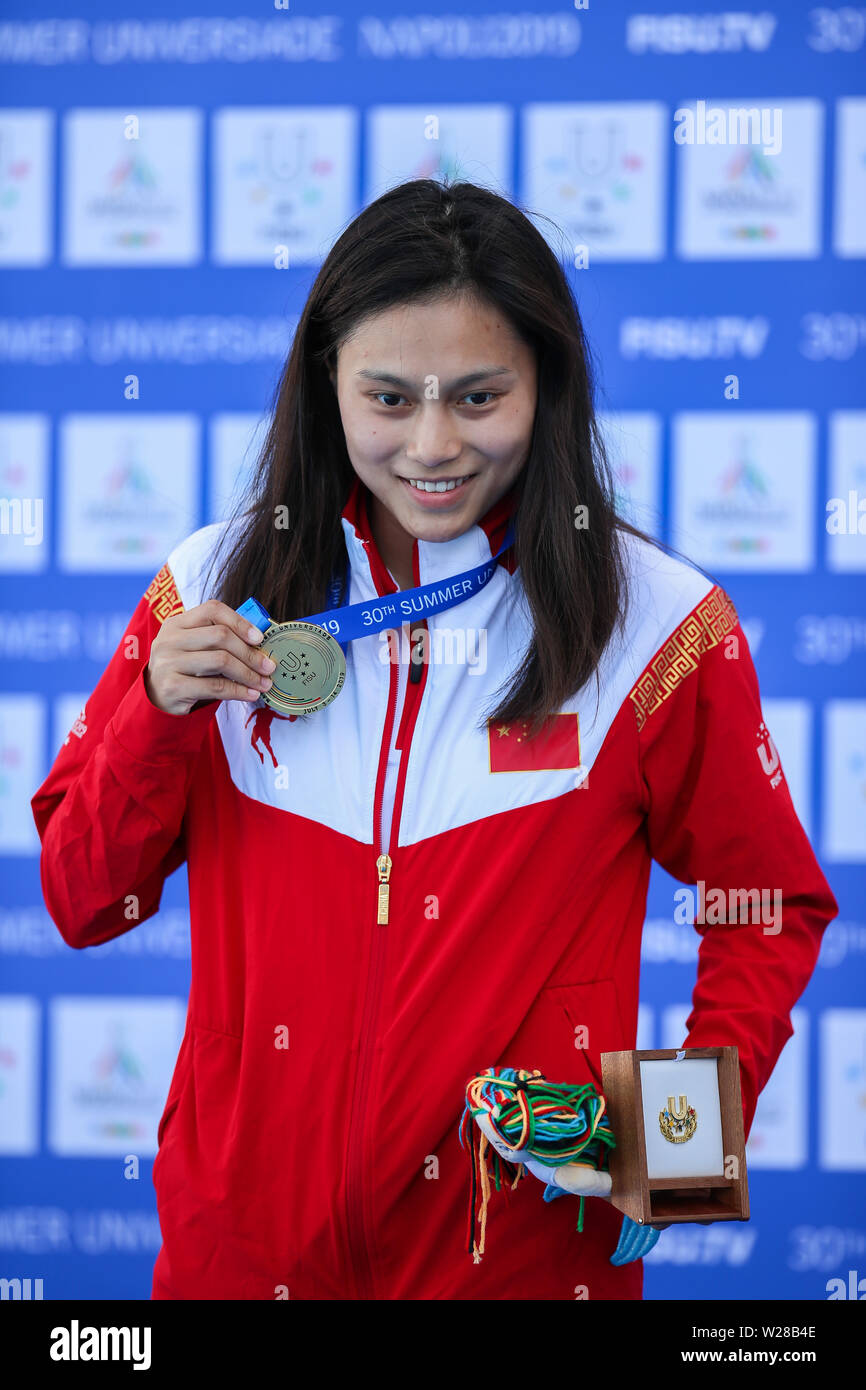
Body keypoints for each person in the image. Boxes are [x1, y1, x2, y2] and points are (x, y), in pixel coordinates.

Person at [32, 179, 839, 1301]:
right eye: (387, 398)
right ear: (327, 385)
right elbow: (80, 899)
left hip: (512, 1269)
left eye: (475, 397)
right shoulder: (208, 589)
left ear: (544, 386)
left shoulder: (658, 625)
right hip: (238, 1262)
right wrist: (153, 720)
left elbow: (765, 904)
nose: (430, 445)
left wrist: (674, 1153)